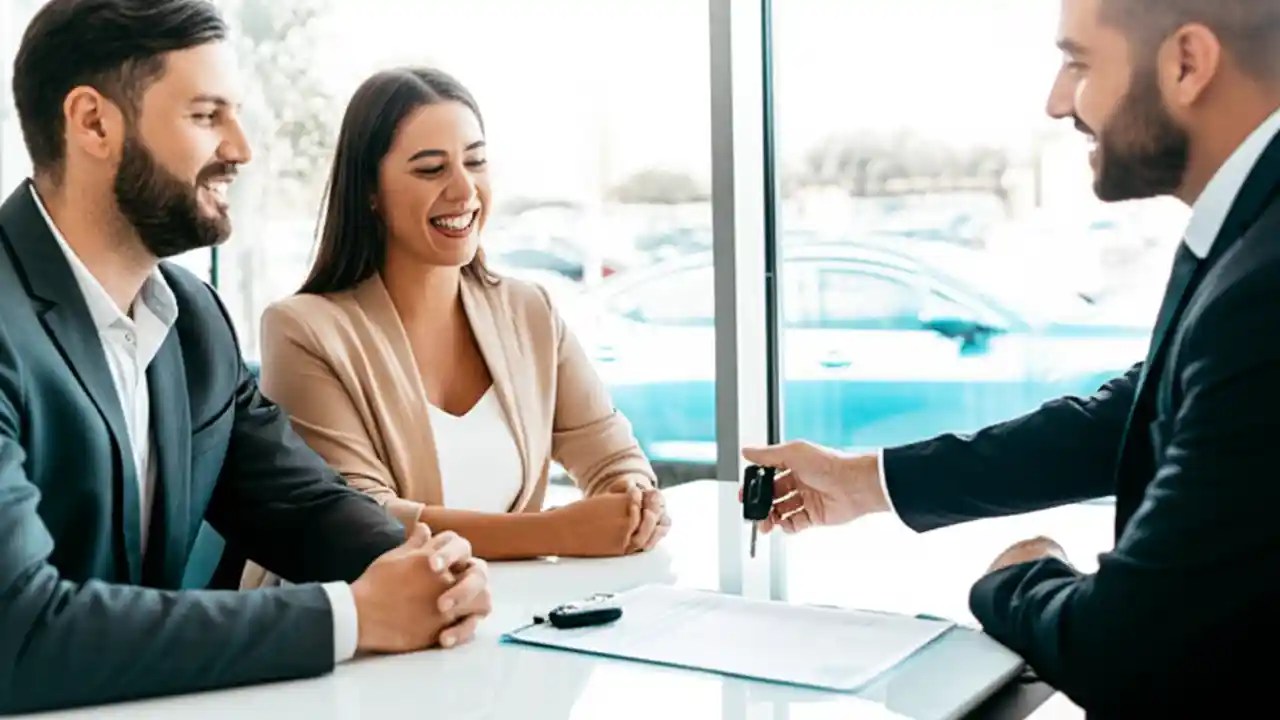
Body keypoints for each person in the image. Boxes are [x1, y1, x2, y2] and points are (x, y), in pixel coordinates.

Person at [743, 0, 1280, 714]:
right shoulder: (1250, 237)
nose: (1058, 102)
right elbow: (1128, 416)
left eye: (1078, 64)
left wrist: (1020, 578)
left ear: (1186, 64)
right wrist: (865, 482)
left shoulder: (1265, 285)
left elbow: (1127, 646)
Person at [0, 1, 491, 713]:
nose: (241, 148)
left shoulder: (193, 320)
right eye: (206, 116)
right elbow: (19, 635)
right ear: (93, 122)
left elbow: (300, 505)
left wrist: (422, 568)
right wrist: (352, 616)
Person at [245, 67, 669, 586]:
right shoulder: (302, 329)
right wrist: (555, 532)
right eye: (430, 169)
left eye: (476, 161)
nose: (464, 188)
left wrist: (632, 503)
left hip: (493, 627)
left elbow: (614, 457)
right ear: (370, 192)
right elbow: (361, 520)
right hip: (349, 638)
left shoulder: (530, 311)